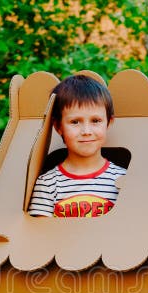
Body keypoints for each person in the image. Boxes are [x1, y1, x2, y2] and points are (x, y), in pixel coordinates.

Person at [27, 74, 126, 217]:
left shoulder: (122, 179)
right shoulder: (48, 184)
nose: (86, 131)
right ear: (58, 126)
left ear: (109, 123)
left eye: (95, 120)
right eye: (75, 122)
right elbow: (39, 234)